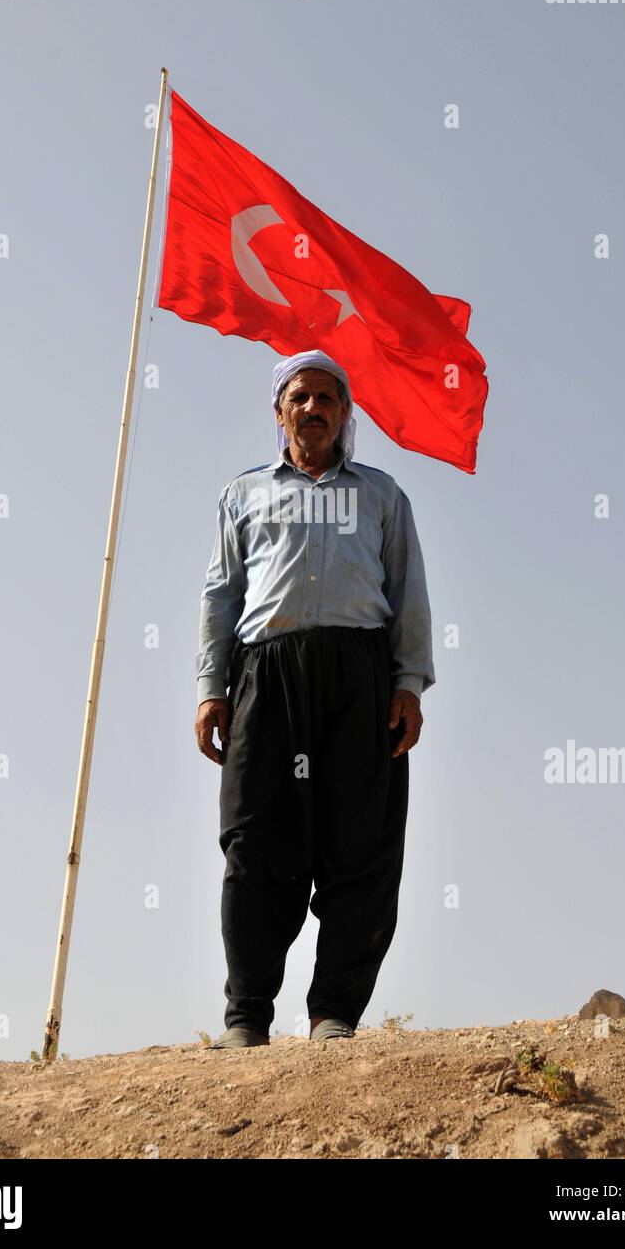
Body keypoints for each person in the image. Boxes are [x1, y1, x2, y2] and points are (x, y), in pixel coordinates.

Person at [194, 348, 435, 1047]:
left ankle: (333, 1012)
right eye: (299, 397)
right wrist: (211, 688)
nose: (312, 407)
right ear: (280, 412)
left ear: (344, 413)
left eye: (327, 397)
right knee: (255, 841)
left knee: (362, 841)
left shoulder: (382, 495)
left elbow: (407, 593)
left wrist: (407, 681)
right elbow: (220, 597)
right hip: (265, 674)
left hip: (359, 675)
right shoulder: (241, 494)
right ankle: (247, 1015)